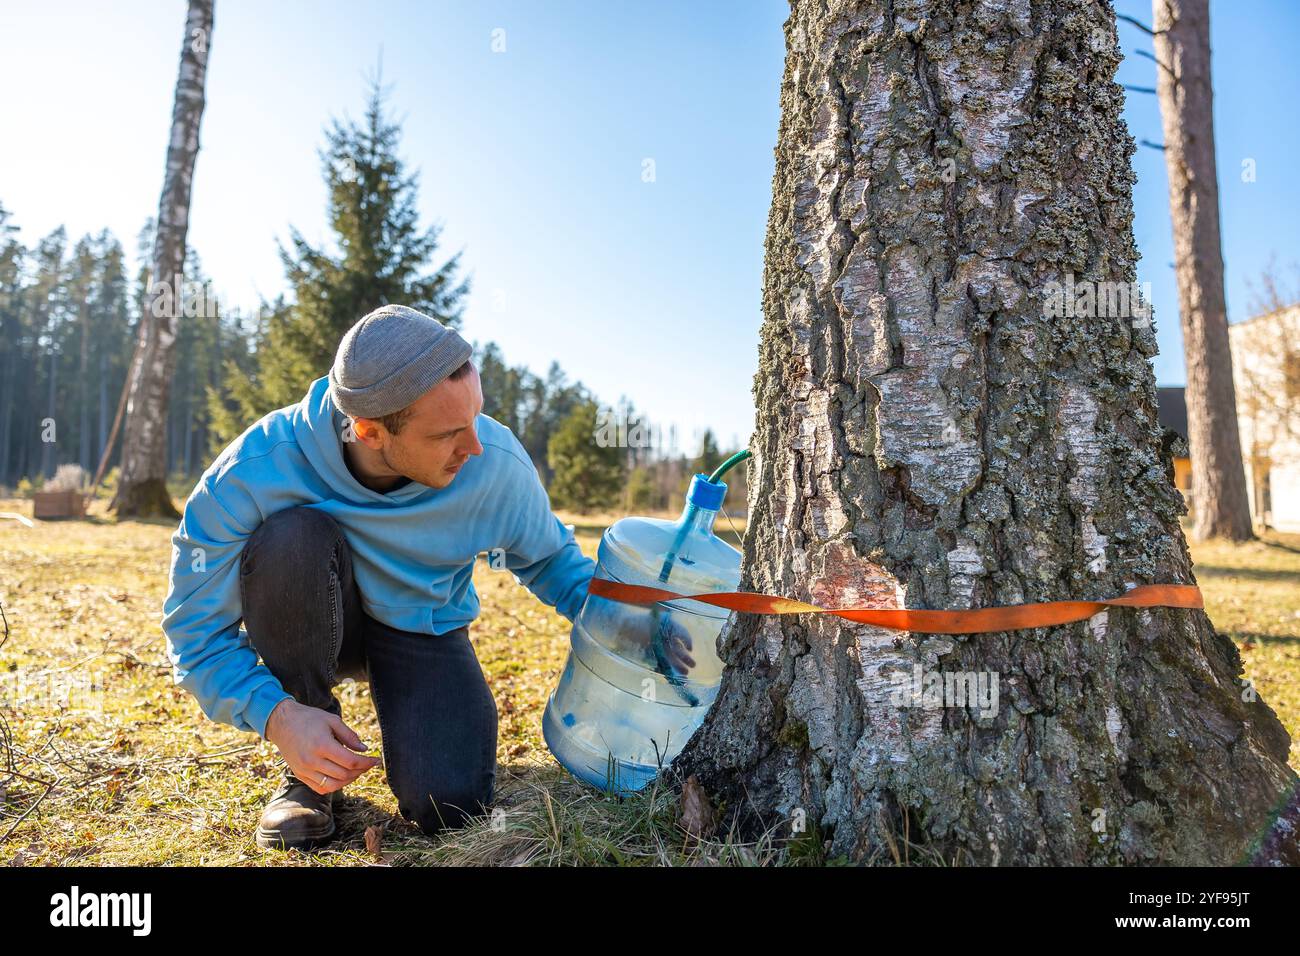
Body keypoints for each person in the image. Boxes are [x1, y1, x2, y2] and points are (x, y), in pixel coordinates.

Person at [160, 304, 596, 850]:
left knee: (451, 804)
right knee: (291, 538)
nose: (474, 446)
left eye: (476, 417)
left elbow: (555, 564)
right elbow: (194, 634)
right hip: (309, 605)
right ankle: (309, 773)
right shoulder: (252, 471)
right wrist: (277, 717)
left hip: (422, 628)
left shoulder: (493, 466)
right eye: (448, 434)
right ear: (369, 431)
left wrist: (631, 626)